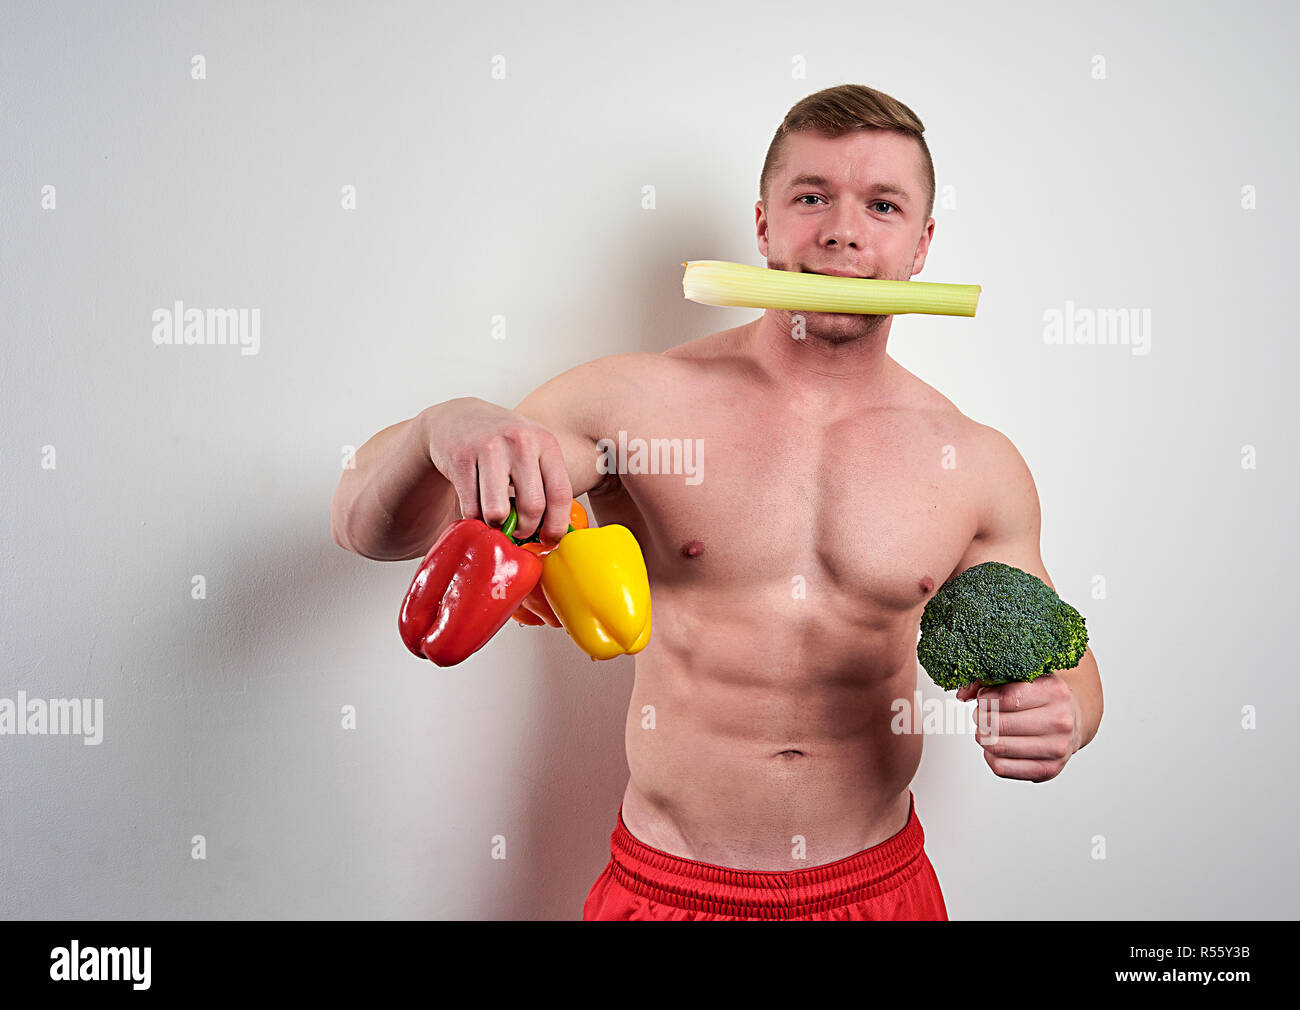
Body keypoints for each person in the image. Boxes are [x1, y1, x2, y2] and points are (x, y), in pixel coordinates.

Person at [330, 83, 1103, 921]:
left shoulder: (975, 462)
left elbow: (1064, 663)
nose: (843, 230)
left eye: (881, 205)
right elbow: (365, 525)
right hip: (670, 890)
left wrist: (1064, 715)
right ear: (766, 224)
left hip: (877, 892)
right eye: (812, 197)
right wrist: (440, 427)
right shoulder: (643, 404)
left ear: (921, 245)